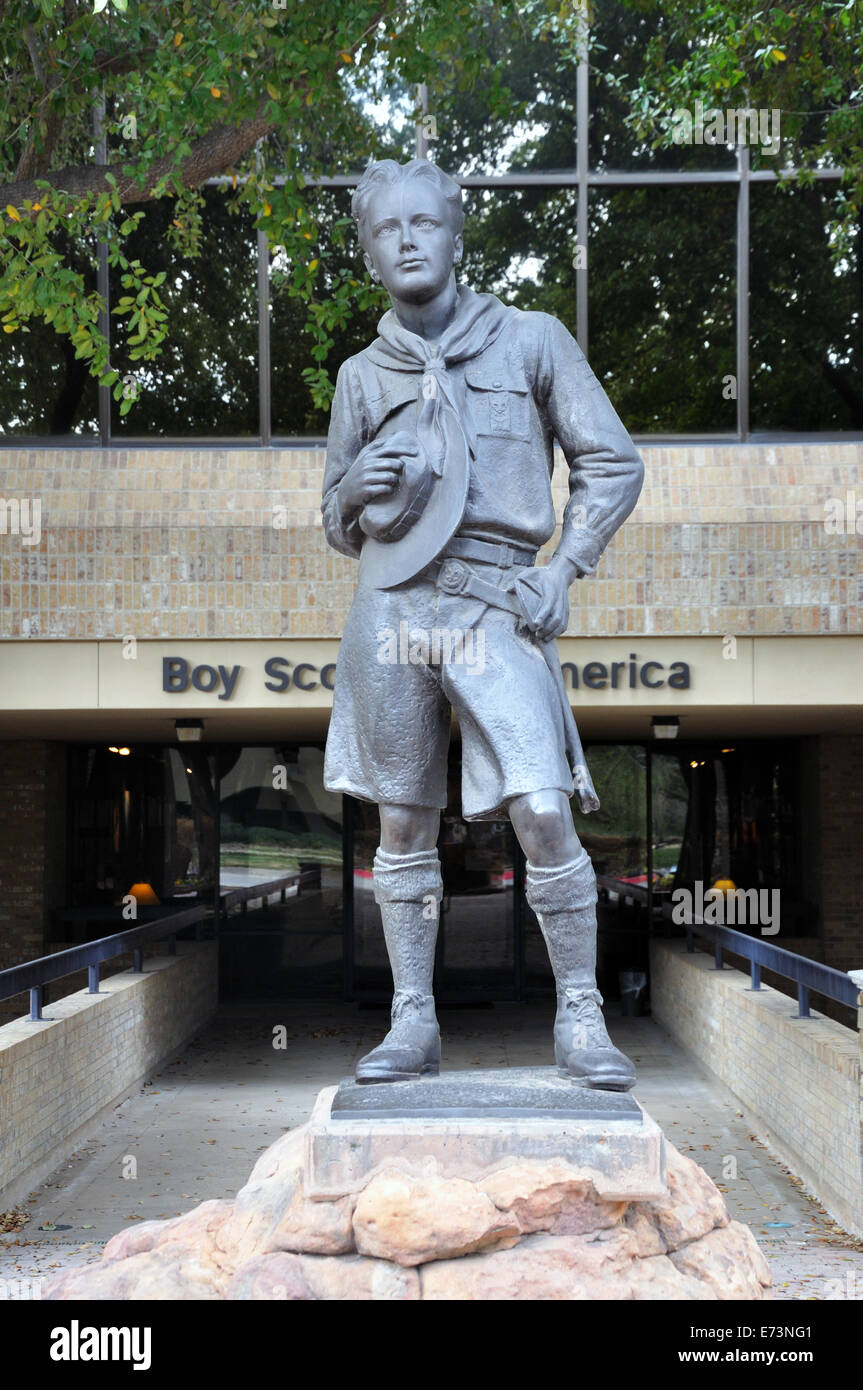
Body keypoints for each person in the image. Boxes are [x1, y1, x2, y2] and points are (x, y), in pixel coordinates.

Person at [321, 158, 644, 1089]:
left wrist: (566, 568)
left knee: (541, 809)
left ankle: (580, 1017)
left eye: (424, 223)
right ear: (371, 252)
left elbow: (610, 464)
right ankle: (411, 1021)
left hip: (494, 599)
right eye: (387, 231)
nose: (408, 240)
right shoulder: (358, 376)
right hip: (389, 610)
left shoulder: (531, 341)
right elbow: (334, 522)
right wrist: (354, 490)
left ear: (457, 235)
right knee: (400, 827)